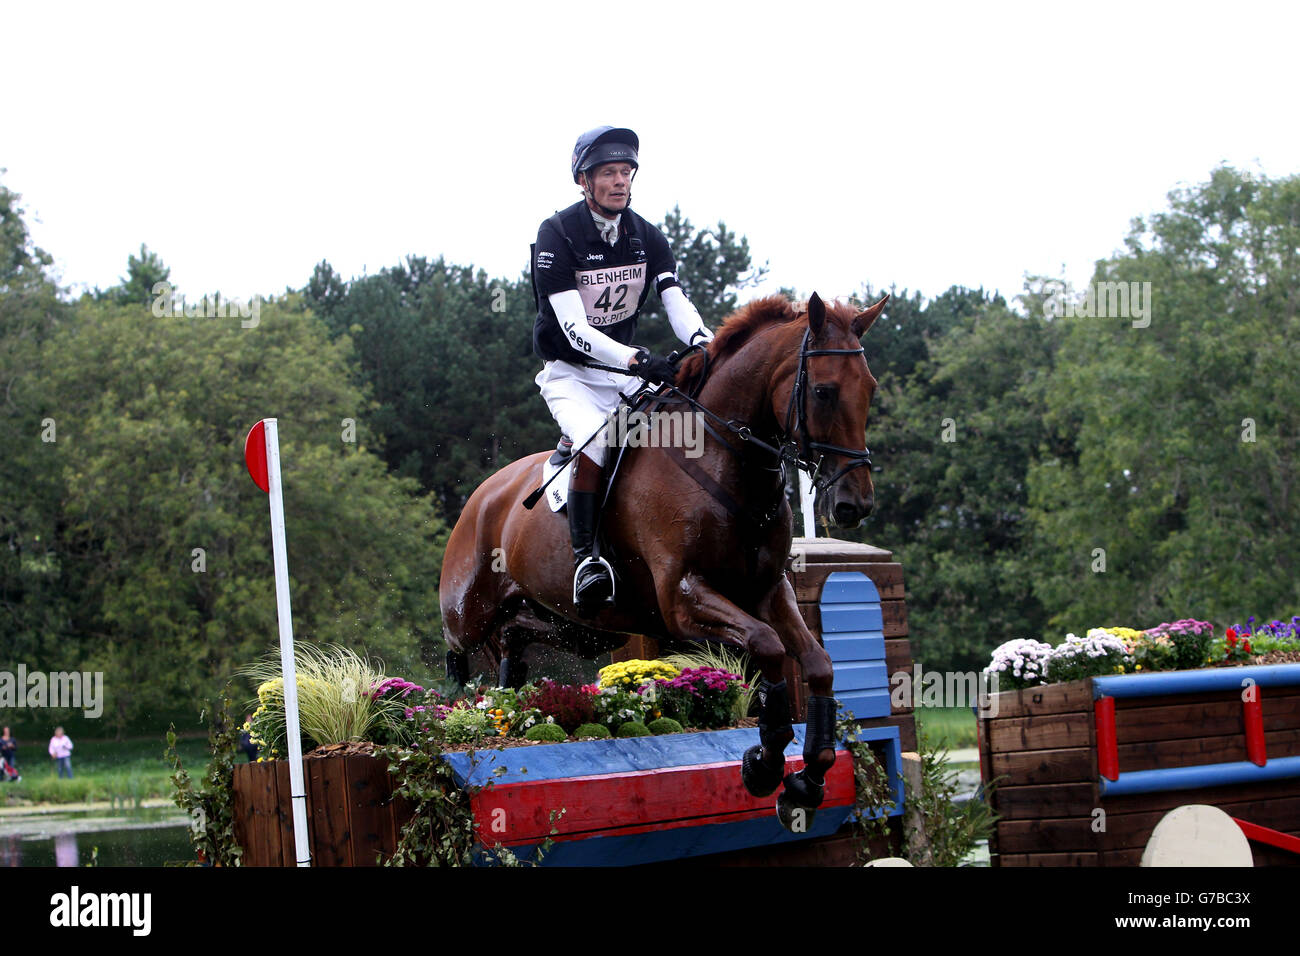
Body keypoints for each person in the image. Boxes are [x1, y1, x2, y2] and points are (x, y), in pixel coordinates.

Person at [532, 126, 713, 613]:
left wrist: (705, 343)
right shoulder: (557, 234)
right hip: (570, 372)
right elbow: (574, 329)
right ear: (584, 181)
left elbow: (676, 302)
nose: (620, 181)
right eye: (608, 173)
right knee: (597, 437)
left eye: (626, 172)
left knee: (680, 429)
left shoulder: (647, 237)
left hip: (621, 372)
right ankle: (586, 559)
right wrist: (635, 358)